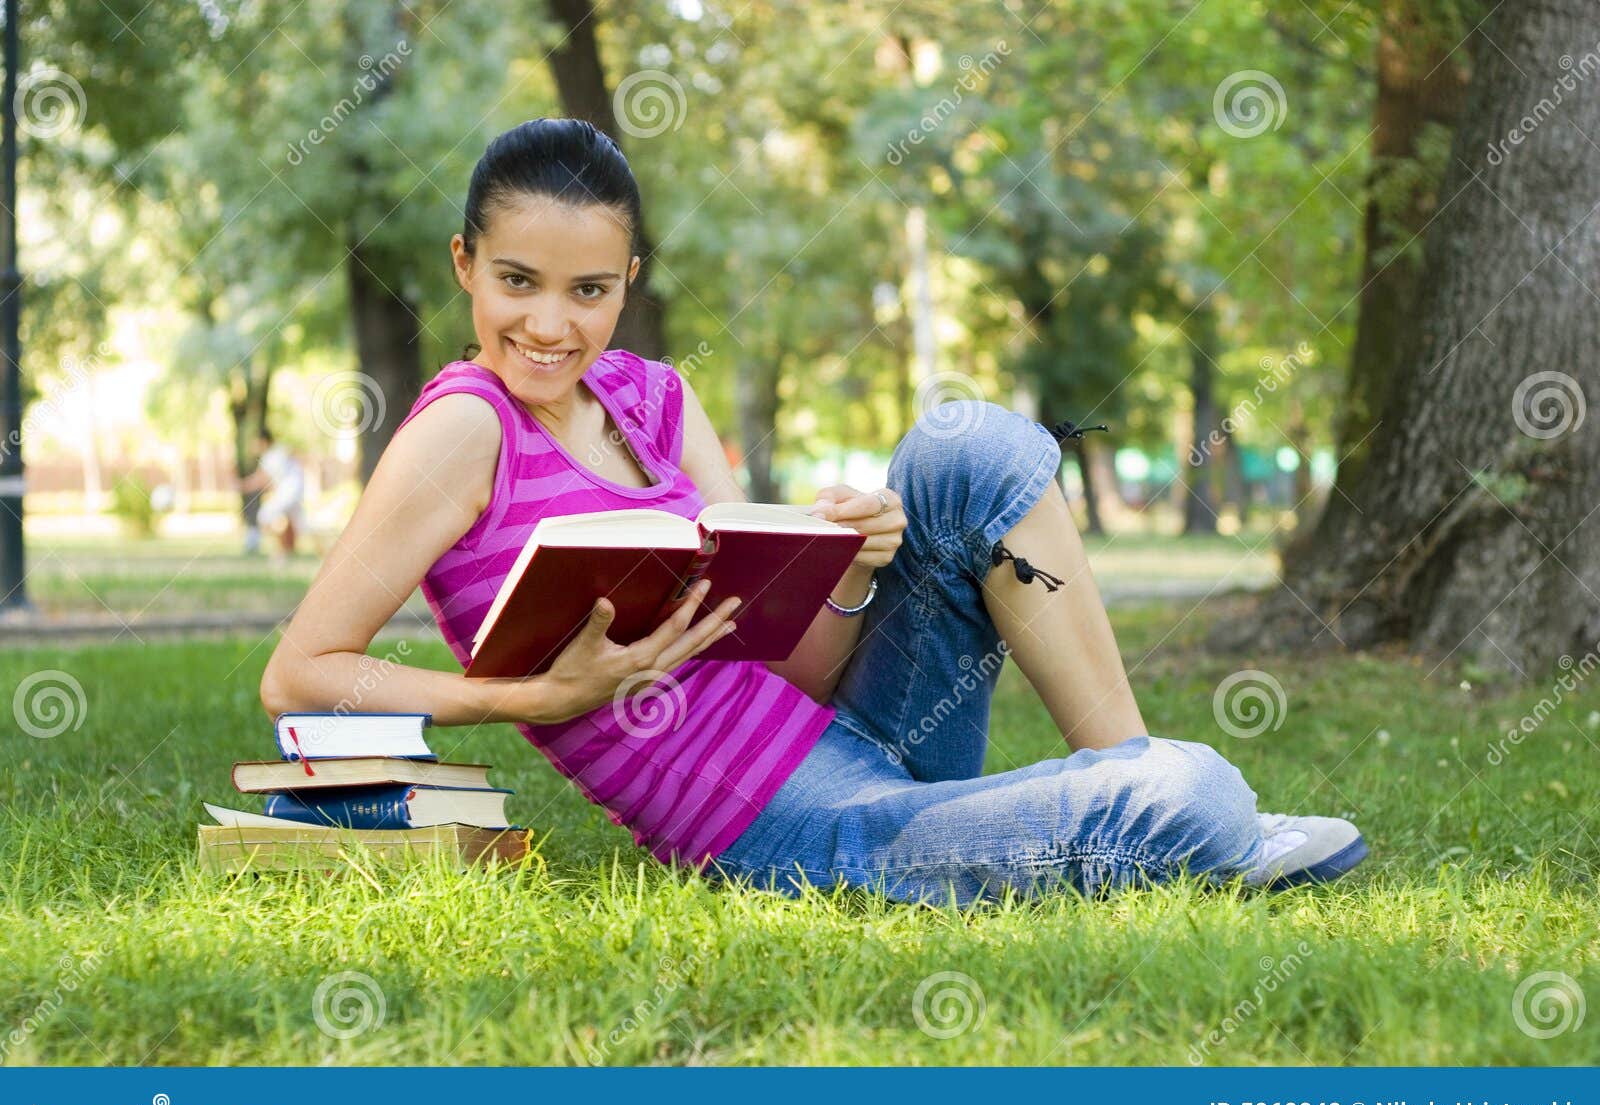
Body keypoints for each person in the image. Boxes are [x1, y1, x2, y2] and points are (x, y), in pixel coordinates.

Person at [259, 118, 1369, 906]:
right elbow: (301, 670)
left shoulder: (657, 398)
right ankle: (1167, 807)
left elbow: (797, 656)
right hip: (781, 829)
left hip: (862, 738)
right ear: (463, 266)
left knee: (965, 443)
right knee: (1197, 792)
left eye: (588, 290)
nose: (550, 324)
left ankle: (1128, 775)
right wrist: (534, 694)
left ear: (626, 280)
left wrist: (843, 567)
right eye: (517, 281)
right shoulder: (463, 432)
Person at [238, 427, 307, 557]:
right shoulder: (280, 450)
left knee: (265, 516)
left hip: (289, 491)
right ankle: (290, 550)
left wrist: (240, 485)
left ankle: (281, 550)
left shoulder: (270, 456)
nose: (254, 447)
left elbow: (260, 480)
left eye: (256, 443)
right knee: (301, 523)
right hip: (296, 490)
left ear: (263, 442)